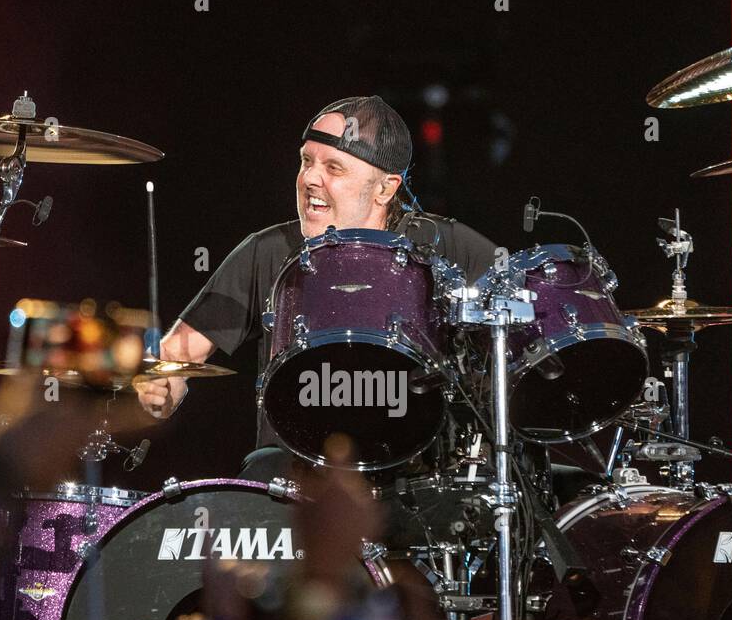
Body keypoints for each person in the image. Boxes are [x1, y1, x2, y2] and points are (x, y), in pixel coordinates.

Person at [135, 95, 497, 482]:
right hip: (294, 472)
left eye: (333, 167)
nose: (309, 179)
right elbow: (175, 357)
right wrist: (159, 384)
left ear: (385, 188)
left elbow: (530, 326)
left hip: (420, 474)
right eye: (306, 161)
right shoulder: (267, 251)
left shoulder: (449, 247)